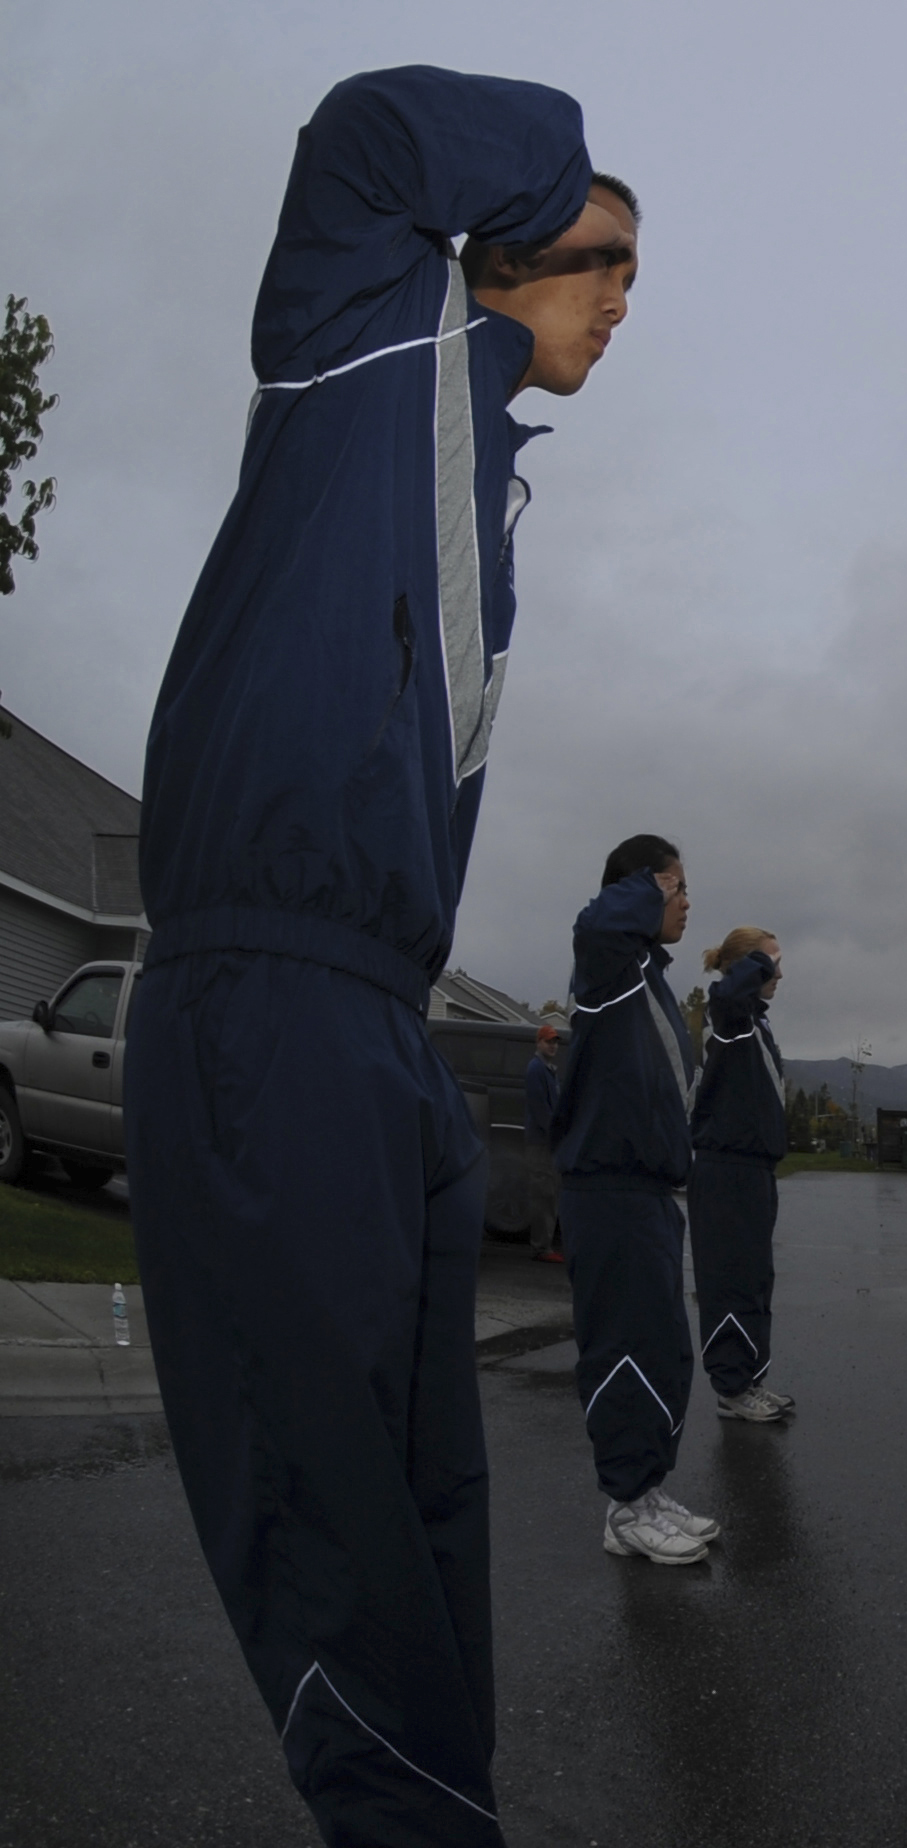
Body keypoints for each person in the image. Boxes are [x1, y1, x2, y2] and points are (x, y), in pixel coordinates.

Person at [124, 64, 633, 1841]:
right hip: (262, 1001)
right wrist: (556, 173)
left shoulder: (494, 476)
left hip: (386, 1030)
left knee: (427, 1533)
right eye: (607, 256)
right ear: (507, 247)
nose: (627, 296)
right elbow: (363, 130)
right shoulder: (359, 344)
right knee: (332, 1548)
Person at [557, 836, 718, 1565]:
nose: (686, 903)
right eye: (676, 889)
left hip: (651, 1193)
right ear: (642, 890)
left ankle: (645, 1489)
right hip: (609, 1190)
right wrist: (651, 882)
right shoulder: (609, 966)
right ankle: (623, 1508)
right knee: (624, 1348)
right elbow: (595, 923)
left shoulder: (646, 977)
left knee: (660, 1349)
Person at [690, 926, 797, 1423]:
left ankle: (749, 1380)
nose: (780, 974)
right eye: (771, 964)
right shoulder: (728, 1016)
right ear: (749, 968)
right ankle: (730, 1387)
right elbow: (727, 992)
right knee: (730, 1279)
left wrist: (760, 964)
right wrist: (756, 964)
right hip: (725, 1170)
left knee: (755, 1279)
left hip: (755, 1170)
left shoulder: (753, 1022)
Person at [526, 1019, 568, 1262]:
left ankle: (546, 1244)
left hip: (548, 1143)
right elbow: (541, 1111)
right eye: (548, 1041)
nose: (552, 1046)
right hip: (541, 1144)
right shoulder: (535, 1070)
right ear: (538, 1042)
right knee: (543, 1195)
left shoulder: (549, 1071)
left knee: (551, 1193)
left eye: (554, 1042)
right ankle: (541, 1247)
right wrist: (557, 1136)